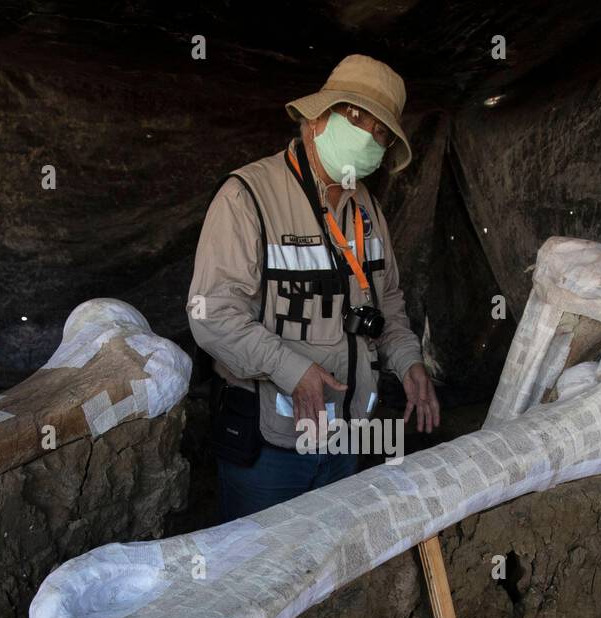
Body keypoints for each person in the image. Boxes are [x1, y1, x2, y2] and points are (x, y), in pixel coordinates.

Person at [187, 54, 440, 522]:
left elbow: (389, 306)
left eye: (382, 132)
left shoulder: (369, 211)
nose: (369, 137)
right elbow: (211, 315)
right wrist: (290, 369)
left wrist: (408, 362)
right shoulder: (247, 196)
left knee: (328, 579)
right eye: (358, 117)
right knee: (255, 579)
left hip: (348, 441)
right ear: (317, 118)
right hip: (270, 448)